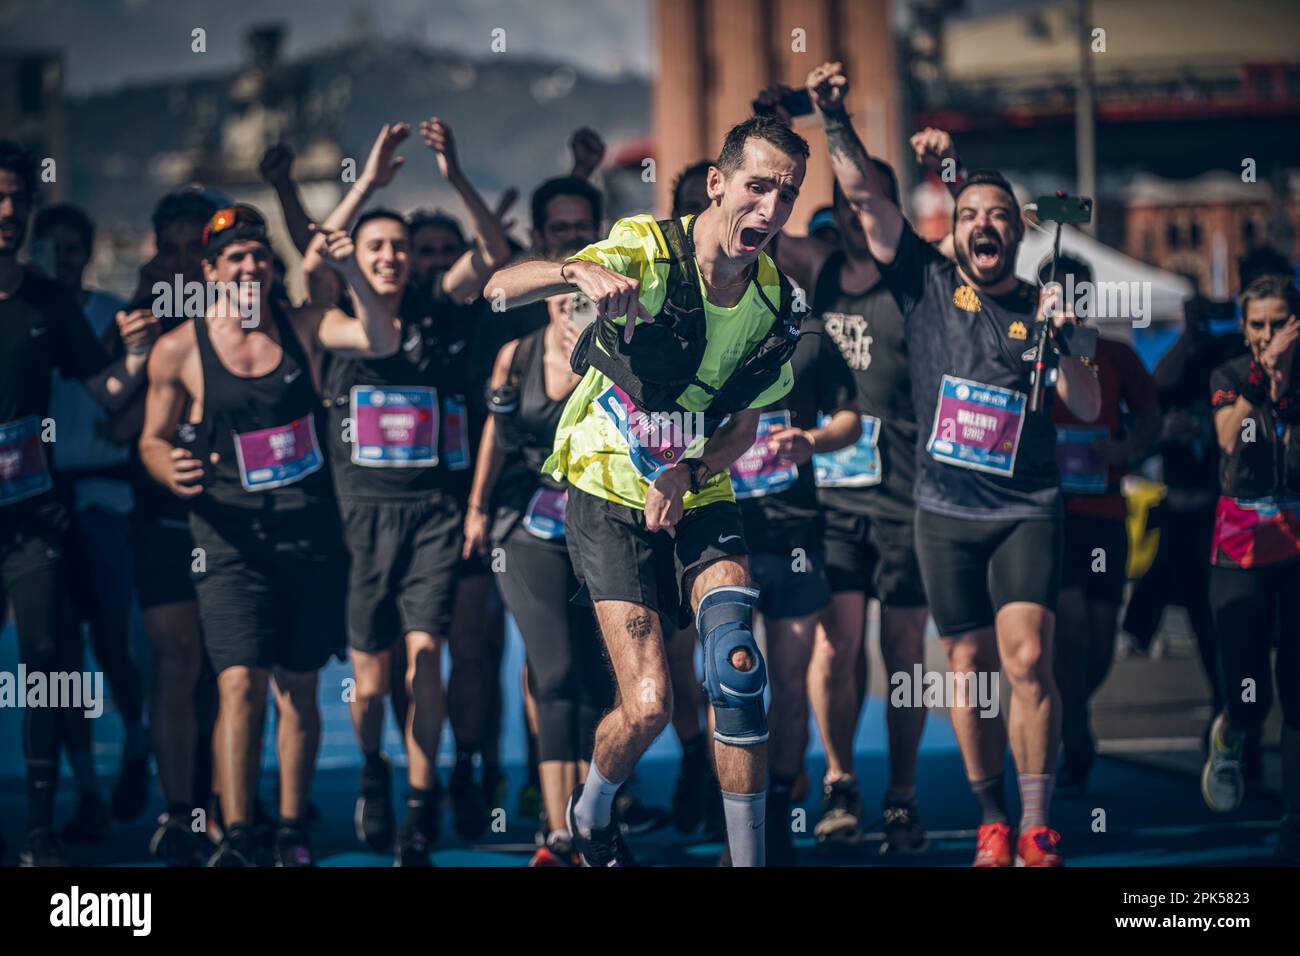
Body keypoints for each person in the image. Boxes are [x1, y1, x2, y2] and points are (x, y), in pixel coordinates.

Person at [489, 112, 809, 867]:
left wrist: (692, 471)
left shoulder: (776, 304)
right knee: (650, 706)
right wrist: (574, 270)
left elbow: (744, 430)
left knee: (736, 667)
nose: (769, 209)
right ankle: (588, 815)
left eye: (786, 195)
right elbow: (498, 290)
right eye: (757, 187)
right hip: (606, 488)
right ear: (717, 185)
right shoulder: (644, 248)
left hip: (697, 489)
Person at [805, 60, 1101, 867]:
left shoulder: (1051, 301)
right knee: (967, 666)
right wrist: (834, 118)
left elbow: (1086, 401)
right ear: (953, 226)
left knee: (1030, 659)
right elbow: (865, 197)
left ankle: (1038, 822)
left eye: (998, 215)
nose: (983, 225)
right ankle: (991, 819)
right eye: (968, 212)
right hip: (943, 513)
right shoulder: (925, 282)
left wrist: (1065, 332)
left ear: (1018, 230)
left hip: (1026, 507)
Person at [138, 195, 398, 866]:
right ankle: (238, 831)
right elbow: (151, 440)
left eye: (260, 254)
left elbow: (381, 337)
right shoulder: (179, 350)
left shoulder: (303, 325)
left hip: (308, 537)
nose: (251, 264)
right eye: (236, 256)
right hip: (228, 544)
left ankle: (289, 829)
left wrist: (353, 270)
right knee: (237, 683)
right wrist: (172, 468)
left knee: (298, 687)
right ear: (211, 271)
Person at [307, 119, 510, 865]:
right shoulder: (331, 321)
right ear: (357, 257)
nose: (393, 257)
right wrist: (366, 186)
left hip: (432, 512)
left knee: (428, 653)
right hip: (359, 518)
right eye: (378, 247)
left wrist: (454, 172)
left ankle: (422, 808)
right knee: (372, 676)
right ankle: (373, 770)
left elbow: (492, 255)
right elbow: (316, 261)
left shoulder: (437, 303)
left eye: (400, 248)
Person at [760, 83, 936, 854]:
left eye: (869, 203)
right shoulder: (821, 267)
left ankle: (901, 795)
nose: (858, 214)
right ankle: (839, 781)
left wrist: (835, 118)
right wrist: (772, 126)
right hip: (826, 491)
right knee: (835, 642)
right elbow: (762, 226)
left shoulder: (917, 276)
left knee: (902, 649)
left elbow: (867, 186)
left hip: (904, 489)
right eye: (847, 203)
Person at [0, 139, 157, 865]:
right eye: (0, 199)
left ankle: (39, 828)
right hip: (47, 506)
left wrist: (134, 352)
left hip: (41, 512)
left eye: (18, 202)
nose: (8, 214)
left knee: (44, 657)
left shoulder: (51, 302)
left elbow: (111, 394)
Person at [463, 290, 615, 866]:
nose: (571, 306)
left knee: (599, 682)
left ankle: (595, 819)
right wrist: (477, 507)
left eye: (584, 297)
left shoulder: (619, 349)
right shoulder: (516, 354)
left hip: (601, 522)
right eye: (562, 294)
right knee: (553, 675)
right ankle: (557, 832)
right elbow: (494, 436)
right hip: (524, 527)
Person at [727, 308, 861, 865]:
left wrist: (812, 438)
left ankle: (777, 812)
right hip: (722, 530)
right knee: (731, 677)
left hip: (793, 533)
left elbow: (851, 416)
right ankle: (735, 814)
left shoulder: (805, 335)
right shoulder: (691, 321)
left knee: (788, 676)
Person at [33, 203, 150, 834]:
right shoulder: (25, 313)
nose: (62, 261)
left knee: (112, 643)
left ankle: (135, 741)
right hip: (42, 503)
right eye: (51, 250)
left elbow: (124, 400)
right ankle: (84, 789)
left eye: (72, 251)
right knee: (59, 657)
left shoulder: (111, 315)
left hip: (105, 499)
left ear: (89, 253)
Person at [120, 188, 224, 864]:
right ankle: (178, 807)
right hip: (159, 517)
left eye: (197, 250)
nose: (183, 264)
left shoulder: (250, 319)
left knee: (230, 671)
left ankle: (226, 807)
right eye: (172, 249)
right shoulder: (133, 324)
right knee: (175, 660)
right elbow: (107, 425)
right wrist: (135, 359)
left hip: (231, 522)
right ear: (155, 255)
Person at [1045, 254, 1160, 796]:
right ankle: (1075, 733)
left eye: (1076, 295)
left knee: (1097, 642)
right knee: (1067, 631)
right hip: (1050, 518)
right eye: (1058, 294)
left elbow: (1152, 418)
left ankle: (1072, 712)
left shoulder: (1113, 354)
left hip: (1107, 517)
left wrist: (1127, 448)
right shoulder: (1030, 354)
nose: (1068, 304)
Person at [1202, 273, 1300, 863]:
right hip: (1240, 550)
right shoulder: (1231, 376)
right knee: (1250, 693)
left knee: (1297, 688)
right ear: (1244, 329)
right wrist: (1266, 377)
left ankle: (1295, 818)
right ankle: (1231, 733)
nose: (1268, 334)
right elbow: (1228, 438)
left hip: (1297, 549)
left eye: (1279, 322)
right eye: (1257, 325)